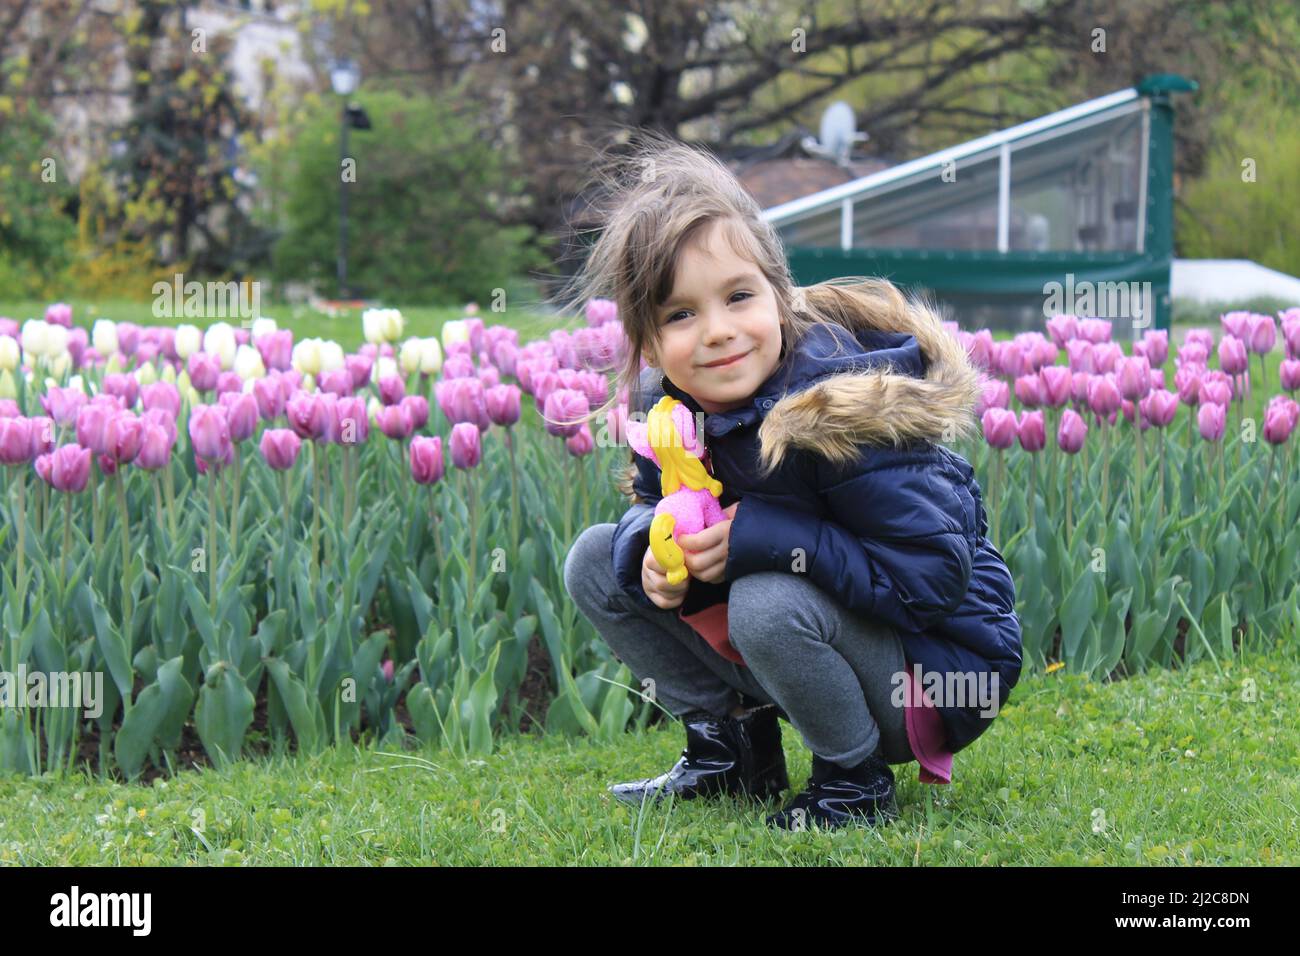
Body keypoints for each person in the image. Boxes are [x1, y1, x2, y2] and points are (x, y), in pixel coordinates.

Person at [558, 130, 1022, 831]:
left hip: (929, 676)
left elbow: (930, 581)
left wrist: (769, 539)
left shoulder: (843, 409)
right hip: (821, 648)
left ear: (780, 298)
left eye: (737, 296)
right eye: (681, 314)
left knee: (768, 600)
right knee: (598, 556)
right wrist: (653, 555)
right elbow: (660, 505)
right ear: (649, 344)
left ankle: (854, 780)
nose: (716, 331)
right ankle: (732, 755)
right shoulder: (674, 409)